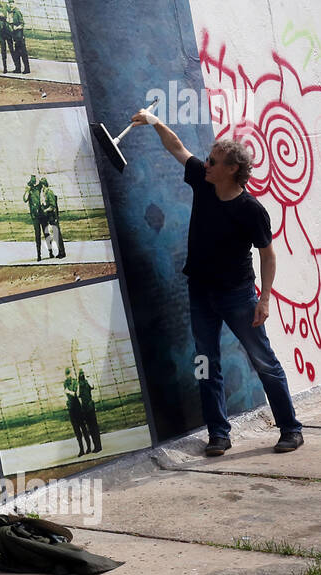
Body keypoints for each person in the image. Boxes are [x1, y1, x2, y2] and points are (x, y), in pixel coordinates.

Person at [130, 107, 304, 455]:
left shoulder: (250, 210)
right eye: (207, 159)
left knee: (263, 361)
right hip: (200, 292)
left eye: (213, 160)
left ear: (232, 169)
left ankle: (290, 428)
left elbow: (268, 255)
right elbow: (177, 147)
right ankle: (219, 434)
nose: (205, 164)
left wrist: (264, 299)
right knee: (205, 363)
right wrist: (153, 121)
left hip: (238, 296)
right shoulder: (204, 182)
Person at [63, 367, 91, 455]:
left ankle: (89, 447)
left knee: (83, 428)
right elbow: (68, 393)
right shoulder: (65, 383)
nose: (68, 376)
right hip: (71, 409)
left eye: (69, 374)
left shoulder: (75, 382)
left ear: (71, 374)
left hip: (78, 408)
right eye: (67, 374)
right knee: (77, 431)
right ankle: (81, 449)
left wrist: (68, 391)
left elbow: (76, 394)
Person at [39, 177, 66, 259]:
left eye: (41, 185)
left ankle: (62, 252)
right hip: (48, 217)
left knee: (57, 234)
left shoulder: (49, 192)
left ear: (43, 185)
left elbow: (52, 206)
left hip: (52, 216)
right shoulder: (43, 193)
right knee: (55, 234)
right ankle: (60, 252)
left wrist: (45, 210)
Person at [78, 368, 101, 453]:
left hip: (86, 408)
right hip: (89, 407)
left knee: (92, 428)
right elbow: (92, 386)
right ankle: (98, 446)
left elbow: (78, 395)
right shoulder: (85, 383)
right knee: (94, 427)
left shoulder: (80, 385)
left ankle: (97, 446)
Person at [7, 0, 31, 74]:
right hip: (15, 36)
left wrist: (16, 27)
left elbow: (22, 24)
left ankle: (27, 69)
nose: (11, 5)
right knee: (17, 53)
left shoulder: (17, 12)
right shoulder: (10, 13)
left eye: (12, 3)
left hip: (19, 36)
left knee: (23, 53)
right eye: (9, 3)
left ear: (14, 4)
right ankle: (18, 69)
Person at [24, 175, 44, 261]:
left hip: (42, 214)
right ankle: (39, 255)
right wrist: (27, 190)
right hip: (35, 216)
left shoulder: (39, 188)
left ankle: (50, 252)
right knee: (38, 236)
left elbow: (42, 181)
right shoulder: (30, 191)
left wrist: (36, 177)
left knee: (46, 233)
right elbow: (25, 199)